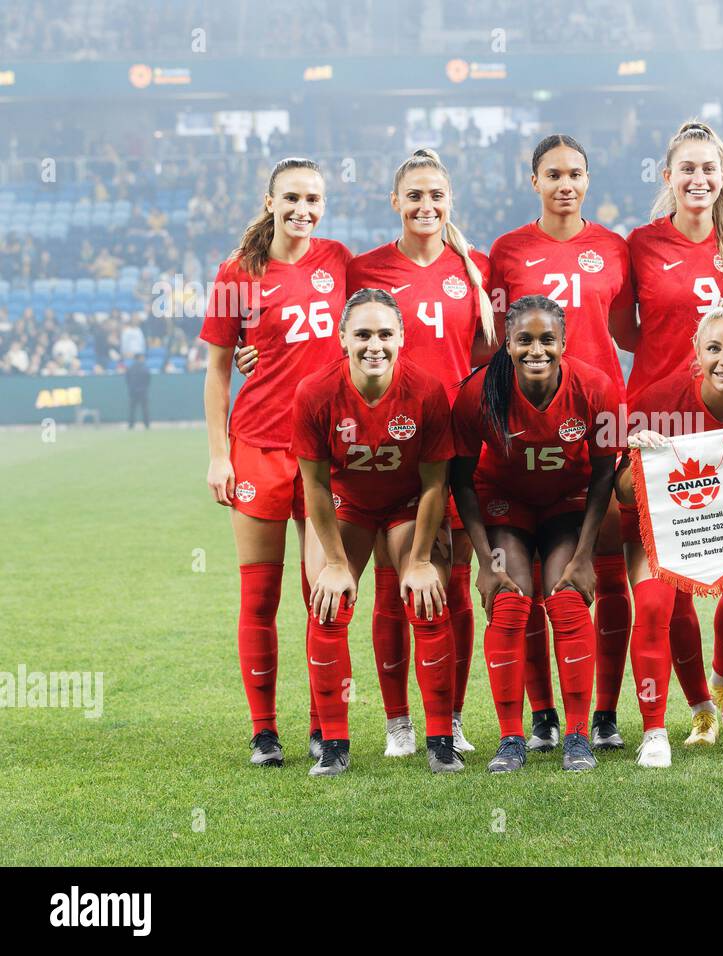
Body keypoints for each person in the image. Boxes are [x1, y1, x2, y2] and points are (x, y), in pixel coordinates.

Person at [242, 149, 497, 757]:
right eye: (413, 195)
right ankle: (393, 724)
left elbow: (494, 354)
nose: (425, 205)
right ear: (395, 201)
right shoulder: (362, 269)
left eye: (436, 195)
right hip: (367, 451)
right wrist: (263, 354)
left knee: (448, 588)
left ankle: (450, 720)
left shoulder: (478, 268)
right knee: (383, 591)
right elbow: (320, 320)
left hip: (445, 446)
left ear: (450, 199)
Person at [200, 157, 351, 767]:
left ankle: (323, 724)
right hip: (258, 448)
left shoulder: (340, 260)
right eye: (291, 197)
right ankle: (265, 731)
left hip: (325, 453)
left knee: (324, 590)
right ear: (269, 201)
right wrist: (218, 456)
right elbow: (215, 370)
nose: (303, 209)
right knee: (259, 598)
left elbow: (391, 304)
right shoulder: (237, 272)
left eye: (313, 198)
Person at [488, 135, 635, 753]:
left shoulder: (614, 248)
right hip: (528, 425)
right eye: (553, 174)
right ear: (535, 181)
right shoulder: (507, 251)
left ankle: (602, 713)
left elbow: (636, 329)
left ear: (589, 178)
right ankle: (544, 714)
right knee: (528, 581)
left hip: (598, 423)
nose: (565, 184)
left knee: (602, 577)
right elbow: (492, 337)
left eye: (576, 173)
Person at [616, 298, 723, 767]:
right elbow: (624, 495)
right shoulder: (658, 399)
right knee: (656, 604)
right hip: (666, 528)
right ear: (697, 354)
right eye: (714, 348)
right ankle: (658, 729)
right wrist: (636, 455)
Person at [450, 294, 619, 773]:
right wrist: (486, 560)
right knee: (508, 599)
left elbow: (605, 474)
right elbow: (460, 481)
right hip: (505, 503)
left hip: (567, 501)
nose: (536, 350)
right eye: (524, 340)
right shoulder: (478, 393)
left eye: (548, 339)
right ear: (507, 343)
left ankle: (578, 735)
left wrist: (584, 555)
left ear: (565, 342)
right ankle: (511, 738)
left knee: (565, 599)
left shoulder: (596, 387)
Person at [291, 288, 457, 776]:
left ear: (402, 337)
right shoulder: (315, 393)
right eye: (362, 334)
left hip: (408, 506)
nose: (374, 345)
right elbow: (315, 485)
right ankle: (334, 744)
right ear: (342, 337)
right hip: (349, 506)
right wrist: (337, 563)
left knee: (427, 598)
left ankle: (440, 739)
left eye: (385, 334)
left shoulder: (426, 391)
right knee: (328, 603)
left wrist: (422, 559)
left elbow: (434, 486)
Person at [624, 119, 723, 745]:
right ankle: (700, 705)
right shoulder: (640, 244)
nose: (698, 179)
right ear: (668, 177)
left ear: (722, 177)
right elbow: (626, 331)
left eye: (709, 169)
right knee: (666, 583)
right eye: (687, 169)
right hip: (659, 423)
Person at [126, 352, 150, 429]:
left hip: (133, 391)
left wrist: (131, 387)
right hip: (142, 391)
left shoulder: (130, 367)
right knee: (145, 409)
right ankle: (146, 424)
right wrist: (145, 387)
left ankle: (131, 425)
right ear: (139, 358)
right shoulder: (144, 367)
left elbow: (127, 379)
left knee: (132, 409)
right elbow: (148, 378)